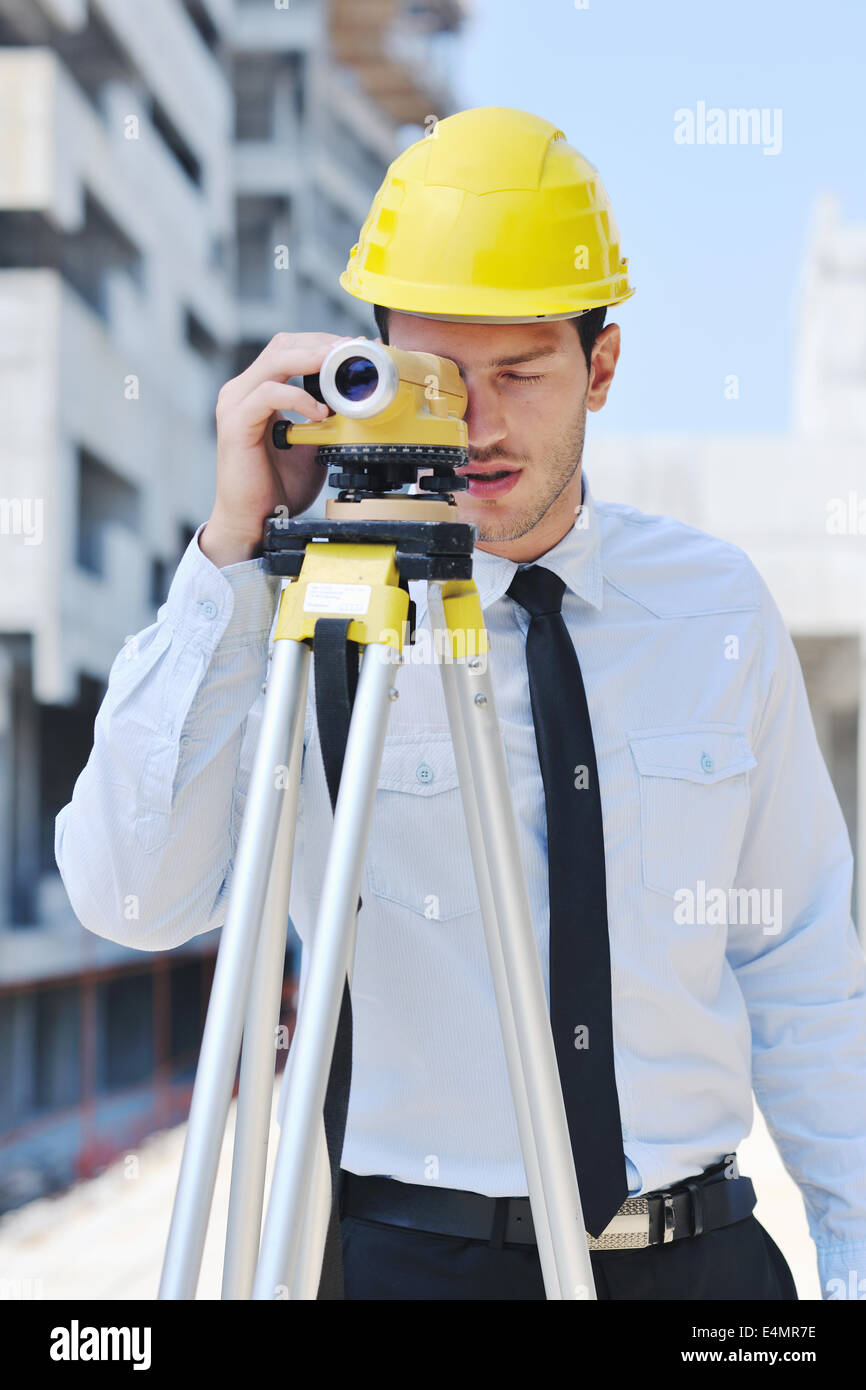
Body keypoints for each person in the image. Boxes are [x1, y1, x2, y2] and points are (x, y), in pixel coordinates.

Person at [55, 107, 866, 1301]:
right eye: (435, 378)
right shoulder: (311, 614)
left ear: (600, 367)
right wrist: (229, 555)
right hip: (411, 1266)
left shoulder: (716, 609)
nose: (474, 426)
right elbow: (130, 894)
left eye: (518, 375)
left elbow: (802, 969)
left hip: (696, 1269)